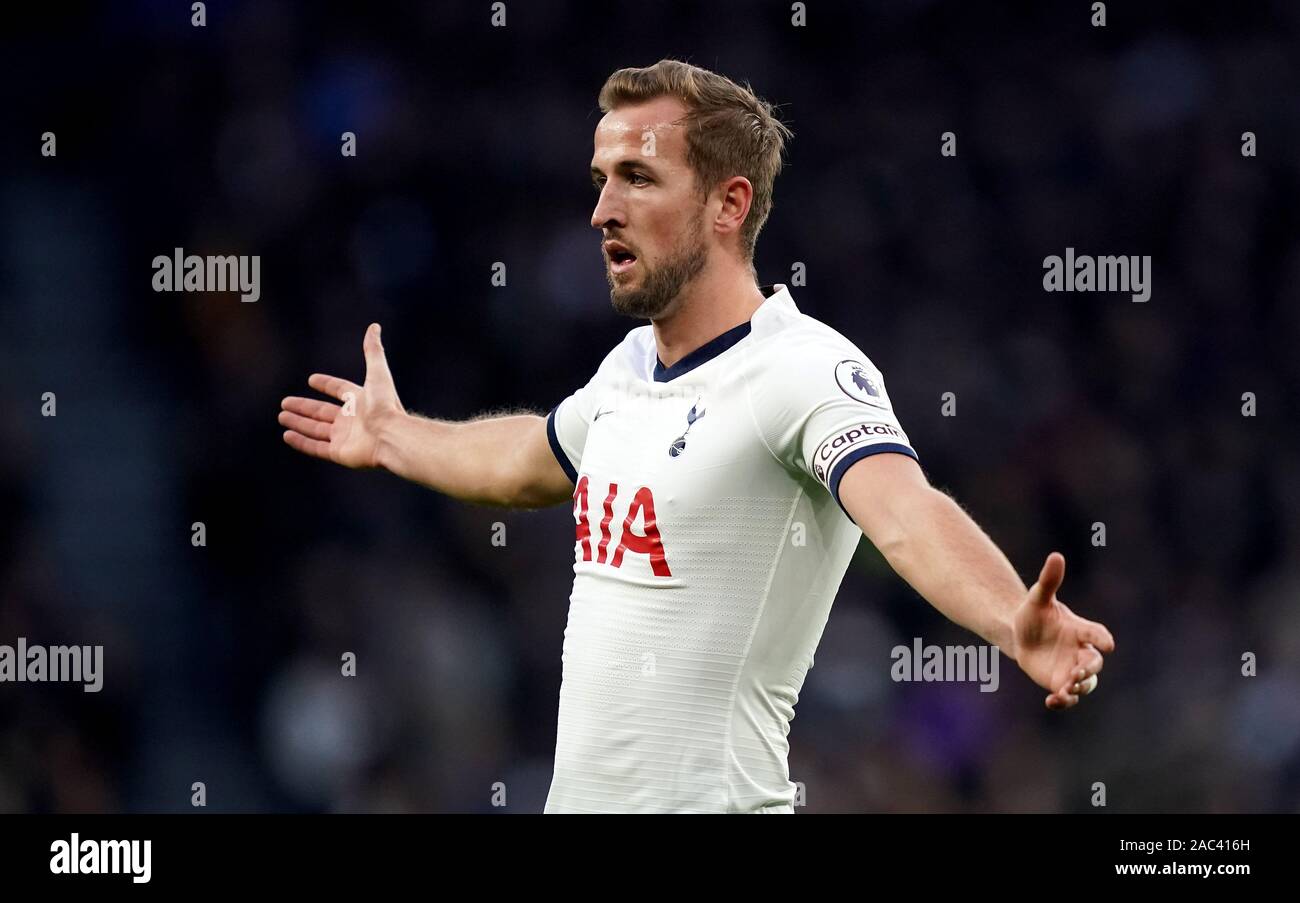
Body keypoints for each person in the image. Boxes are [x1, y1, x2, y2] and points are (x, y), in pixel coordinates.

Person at [279, 59, 1115, 813]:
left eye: (638, 178)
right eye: (602, 179)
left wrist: (1011, 618)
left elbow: (904, 511)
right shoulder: (630, 369)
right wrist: (393, 437)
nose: (603, 209)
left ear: (729, 202)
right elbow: (526, 459)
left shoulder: (801, 367)